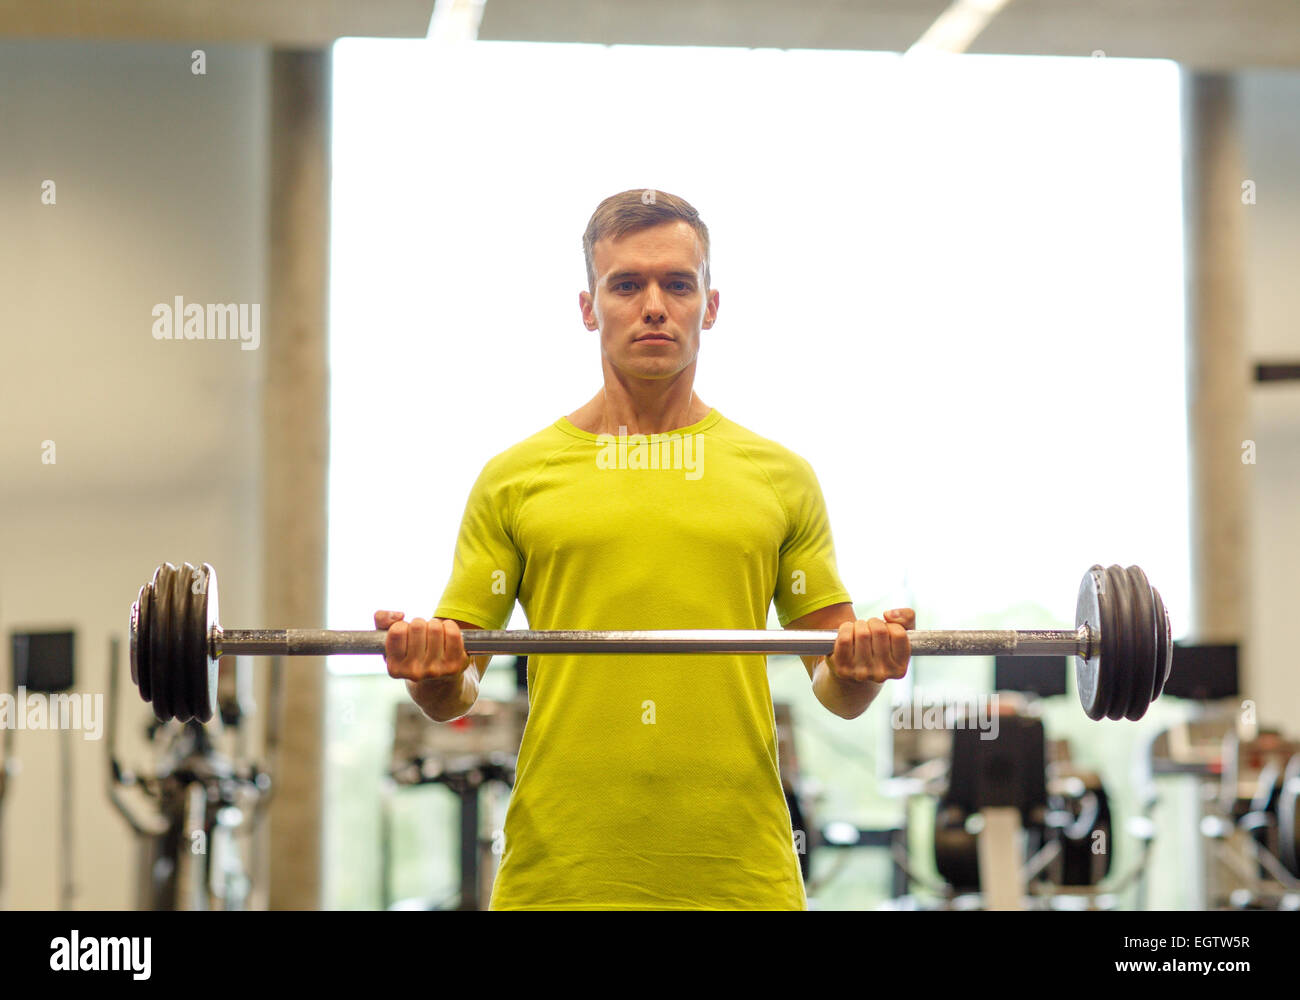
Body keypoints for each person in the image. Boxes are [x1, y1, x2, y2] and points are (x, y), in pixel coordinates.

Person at [375, 189, 913, 910]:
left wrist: (866, 665)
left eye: (677, 284)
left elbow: (836, 686)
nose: (653, 305)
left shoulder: (779, 478)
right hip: (559, 876)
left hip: (738, 875)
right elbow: (454, 690)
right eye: (627, 285)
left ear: (710, 306)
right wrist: (428, 667)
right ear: (589, 308)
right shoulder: (515, 479)